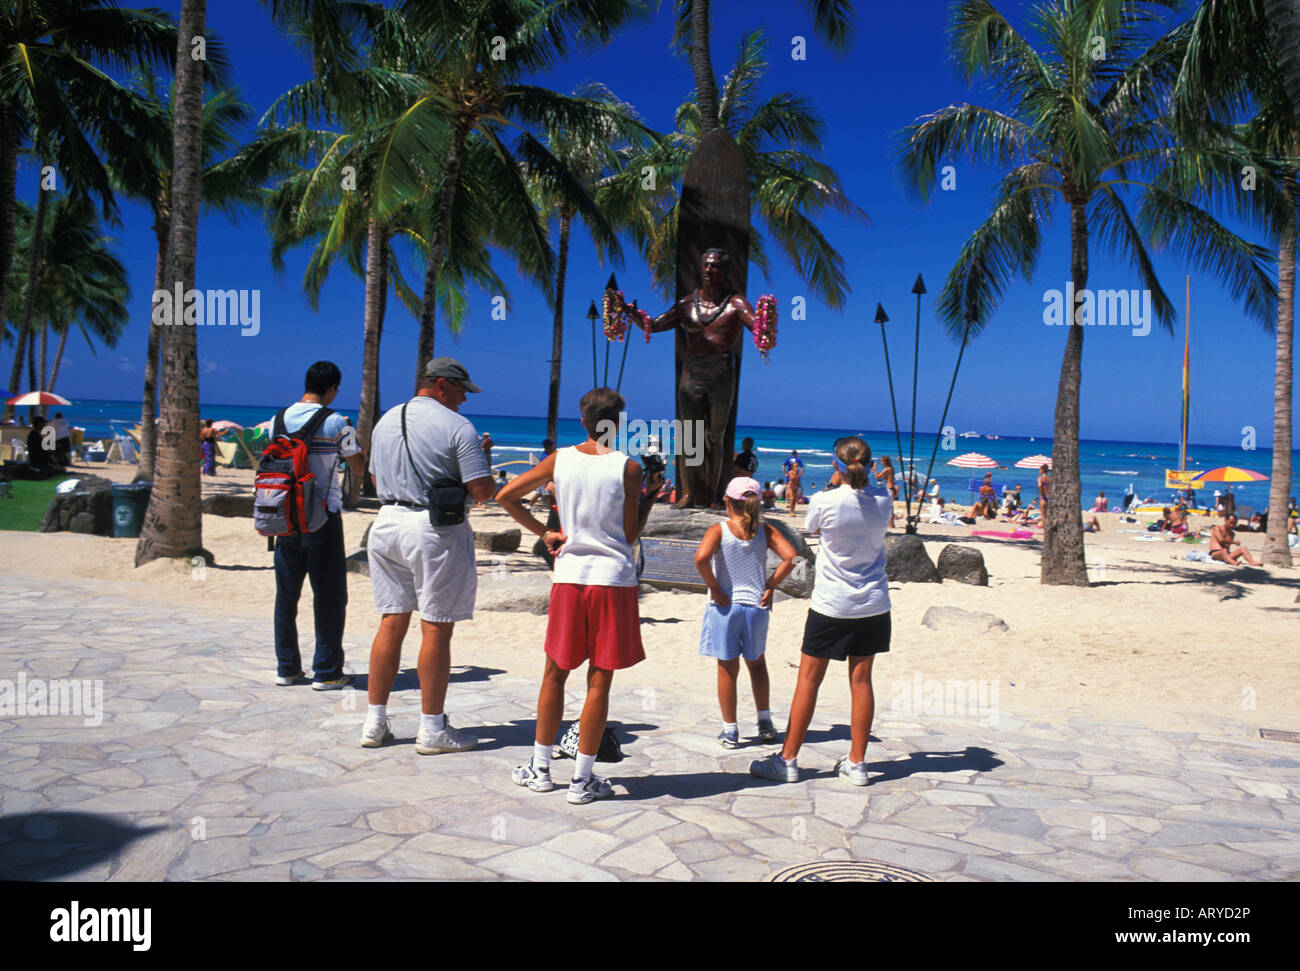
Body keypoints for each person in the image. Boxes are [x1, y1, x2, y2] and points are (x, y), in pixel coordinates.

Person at [496, 387, 663, 804]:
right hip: (613, 579)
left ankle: (539, 768)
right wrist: (650, 498)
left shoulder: (560, 460)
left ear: (582, 419)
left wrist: (545, 533)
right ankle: (582, 779)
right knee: (599, 679)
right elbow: (628, 534)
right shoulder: (627, 468)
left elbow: (505, 496)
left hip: (570, 576)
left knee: (554, 672)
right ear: (617, 423)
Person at [359, 358, 496, 751]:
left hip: (385, 523)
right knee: (435, 625)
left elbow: (373, 478)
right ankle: (432, 729)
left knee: (391, 622)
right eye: (460, 391)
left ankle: (374, 722)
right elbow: (483, 491)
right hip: (432, 529)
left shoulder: (386, 420)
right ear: (441, 385)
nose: (463, 400)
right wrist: (482, 456)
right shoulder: (457, 427)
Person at [751, 436, 892, 788]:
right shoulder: (885, 499)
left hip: (832, 603)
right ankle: (857, 763)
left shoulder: (825, 500)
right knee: (861, 682)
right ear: (870, 465)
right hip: (873, 603)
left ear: (836, 466)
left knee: (809, 680)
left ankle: (788, 759)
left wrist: (834, 484)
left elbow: (812, 527)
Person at [639, 248, 770, 507]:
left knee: (714, 439)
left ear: (725, 271)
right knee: (689, 437)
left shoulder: (736, 304)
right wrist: (631, 314)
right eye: (706, 266)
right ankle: (687, 493)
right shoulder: (686, 304)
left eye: (716, 266)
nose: (710, 271)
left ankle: (713, 496)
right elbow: (655, 324)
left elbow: (756, 326)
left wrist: (767, 321)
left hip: (722, 374)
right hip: (692, 374)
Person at [271, 362, 367, 691]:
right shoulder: (335, 421)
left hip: (283, 518)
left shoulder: (278, 419)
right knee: (329, 596)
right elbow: (357, 465)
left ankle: (287, 668)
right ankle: (327, 671)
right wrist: (350, 439)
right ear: (331, 389)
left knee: (287, 595)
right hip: (322, 518)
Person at [694, 476, 797, 749]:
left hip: (725, 606)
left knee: (727, 668)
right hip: (756, 605)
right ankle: (764, 722)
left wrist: (714, 587)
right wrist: (771, 585)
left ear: (727, 501)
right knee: (757, 664)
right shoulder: (765, 531)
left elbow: (701, 558)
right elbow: (792, 557)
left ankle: (730, 730)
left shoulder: (719, 530)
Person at [783, 450, 804, 516]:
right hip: (791, 486)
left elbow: (783, 466)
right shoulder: (791, 472)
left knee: (794, 499)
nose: (797, 468)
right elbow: (793, 478)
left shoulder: (788, 459)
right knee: (792, 498)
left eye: (797, 467)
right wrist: (800, 474)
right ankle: (790, 511)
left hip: (796, 486)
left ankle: (793, 511)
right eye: (796, 467)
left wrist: (800, 485)